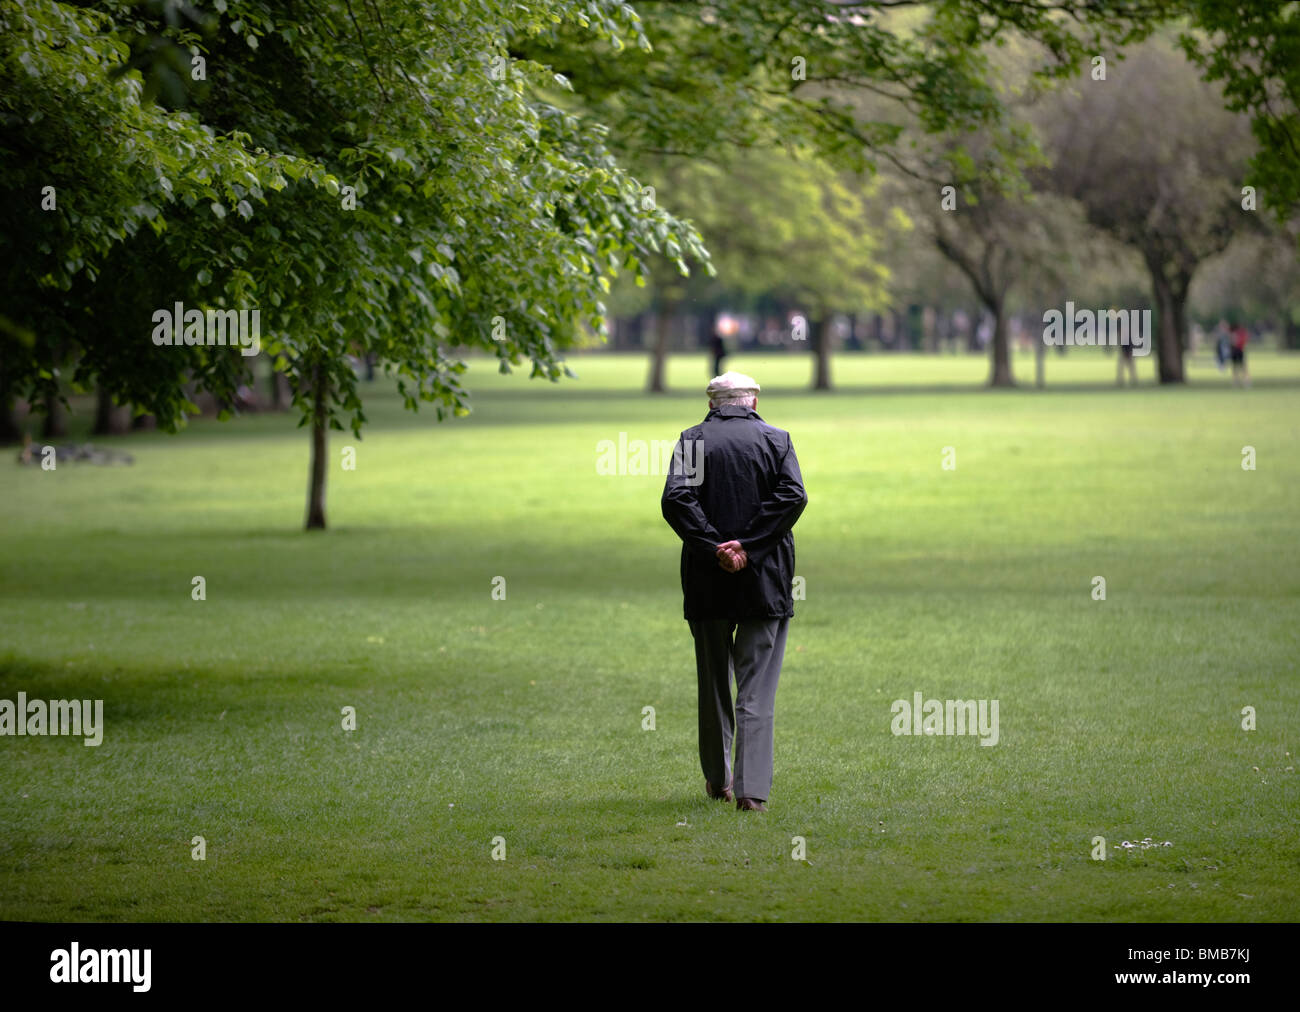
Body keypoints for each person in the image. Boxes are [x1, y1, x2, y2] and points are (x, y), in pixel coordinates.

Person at [661, 371, 808, 812]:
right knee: (757, 690)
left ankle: (717, 780)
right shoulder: (777, 440)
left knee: (713, 683)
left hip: (708, 581)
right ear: (754, 403)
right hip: (765, 580)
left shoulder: (692, 440)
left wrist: (716, 548)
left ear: (712, 404)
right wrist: (748, 545)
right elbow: (793, 497)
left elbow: (676, 500)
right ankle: (751, 792)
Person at [1230, 322, 1250, 387]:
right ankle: (1238, 382)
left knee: (1239, 367)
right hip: (1237, 351)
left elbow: (1234, 342)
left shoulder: (1238, 333)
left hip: (1238, 350)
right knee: (1237, 367)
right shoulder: (1239, 333)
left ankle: (1242, 381)